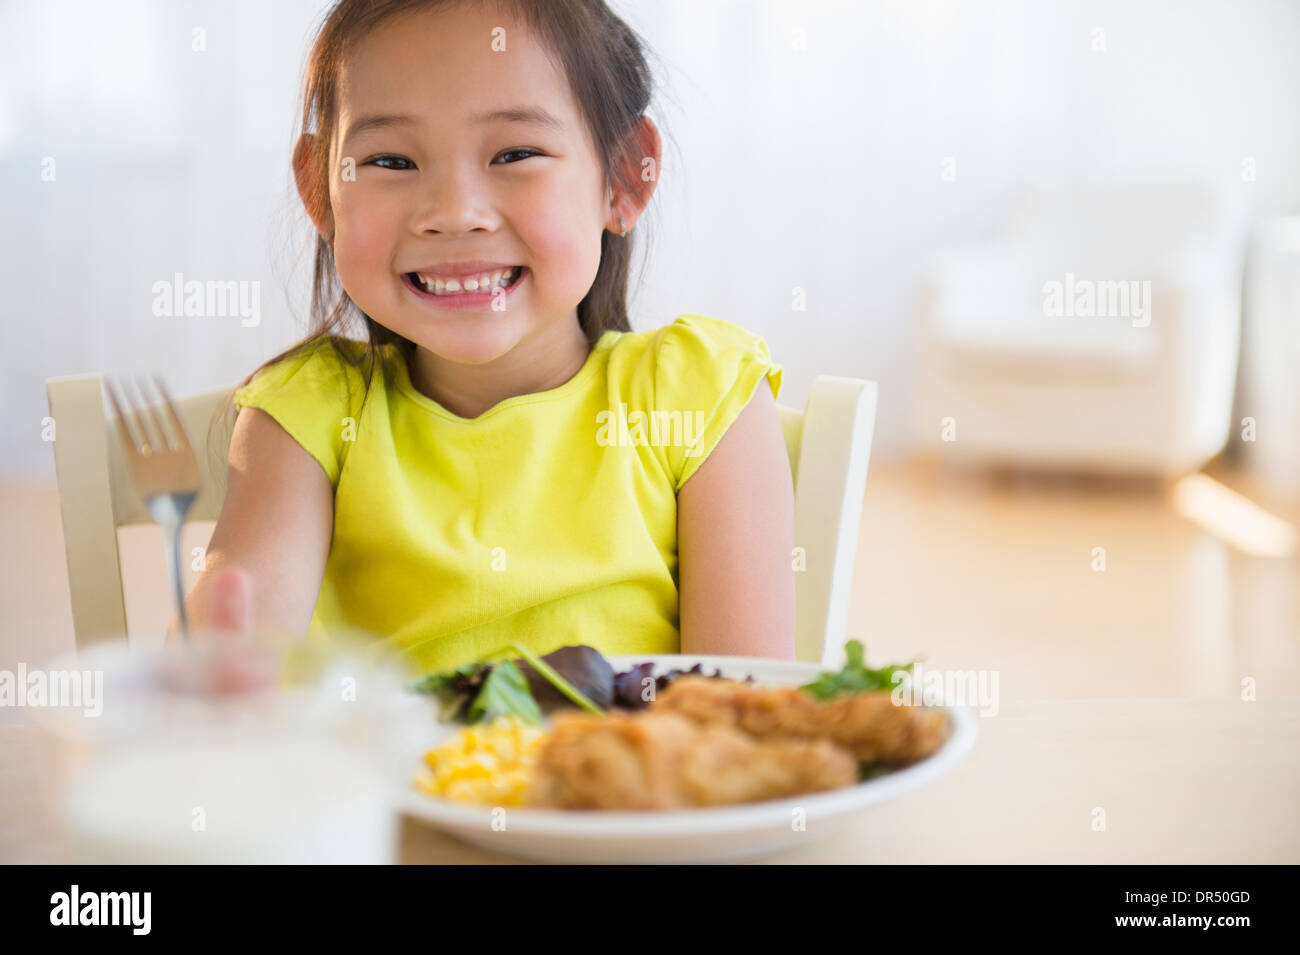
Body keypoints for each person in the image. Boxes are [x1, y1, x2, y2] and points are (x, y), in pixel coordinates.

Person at [171, 0, 795, 672]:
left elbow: (744, 703)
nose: (454, 214)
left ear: (623, 175)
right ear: (321, 192)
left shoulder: (699, 394)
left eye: (515, 153)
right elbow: (247, 621)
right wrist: (224, 661)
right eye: (390, 161)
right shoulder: (307, 411)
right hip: (394, 779)